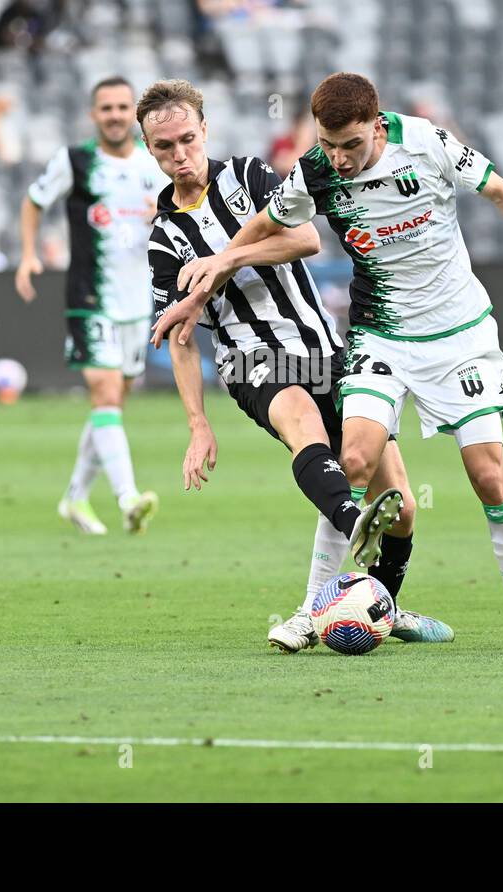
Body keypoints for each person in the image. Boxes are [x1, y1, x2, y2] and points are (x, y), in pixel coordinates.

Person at [157, 73, 503, 652]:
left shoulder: (426, 142)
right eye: (327, 144)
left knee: (487, 477)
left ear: (377, 125)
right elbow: (266, 225)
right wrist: (215, 270)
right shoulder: (315, 171)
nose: (338, 158)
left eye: (351, 145)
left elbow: (499, 191)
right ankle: (310, 613)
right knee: (354, 461)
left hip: (459, 335)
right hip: (379, 334)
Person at [139, 79, 452, 651]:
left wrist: (223, 261)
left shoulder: (249, 176)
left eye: (187, 139)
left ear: (204, 130)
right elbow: (180, 338)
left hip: (327, 350)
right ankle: (326, 581)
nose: (179, 154)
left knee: (403, 507)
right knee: (305, 425)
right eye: (164, 146)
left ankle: (377, 607)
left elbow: (306, 239)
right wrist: (197, 424)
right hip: (250, 358)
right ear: (149, 148)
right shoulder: (164, 238)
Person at [15, 78, 166, 535]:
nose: (115, 115)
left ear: (134, 114)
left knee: (114, 402)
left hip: (138, 300)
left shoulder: (154, 163)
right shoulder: (75, 161)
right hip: (90, 296)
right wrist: (28, 254)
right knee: (105, 394)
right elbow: (33, 201)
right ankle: (128, 498)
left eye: (122, 107)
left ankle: (75, 498)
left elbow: (183, 211)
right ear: (93, 115)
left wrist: (163, 214)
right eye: (106, 108)